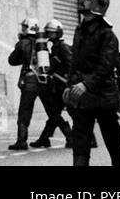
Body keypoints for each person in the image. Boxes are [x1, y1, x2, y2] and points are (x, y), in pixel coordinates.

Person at [64, 0, 120, 167]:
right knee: (80, 144)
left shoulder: (107, 35)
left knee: (113, 140)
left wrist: (86, 85)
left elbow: (106, 66)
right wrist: (69, 87)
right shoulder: (79, 31)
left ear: (97, 4)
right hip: (82, 98)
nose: (81, 1)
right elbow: (74, 63)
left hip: (103, 98)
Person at [31, 18, 74, 148]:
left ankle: (73, 138)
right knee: (54, 113)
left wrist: (69, 80)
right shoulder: (55, 48)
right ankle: (45, 139)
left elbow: (71, 65)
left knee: (56, 113)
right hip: (58, 85)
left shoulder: (62, 47)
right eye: (48, 33)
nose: (49, 36)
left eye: (51, 33)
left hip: (63, 86)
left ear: (57, 33)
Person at [7, 17, 43, 150]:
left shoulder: (23, 43)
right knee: (53, 111)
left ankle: (21, 141)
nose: (21, 29)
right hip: (44, 81)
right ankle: (69, 136)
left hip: (30, 82)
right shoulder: (42, 42)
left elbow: (12, 60)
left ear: (26, 28)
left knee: (24, 112)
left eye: (23, 27)